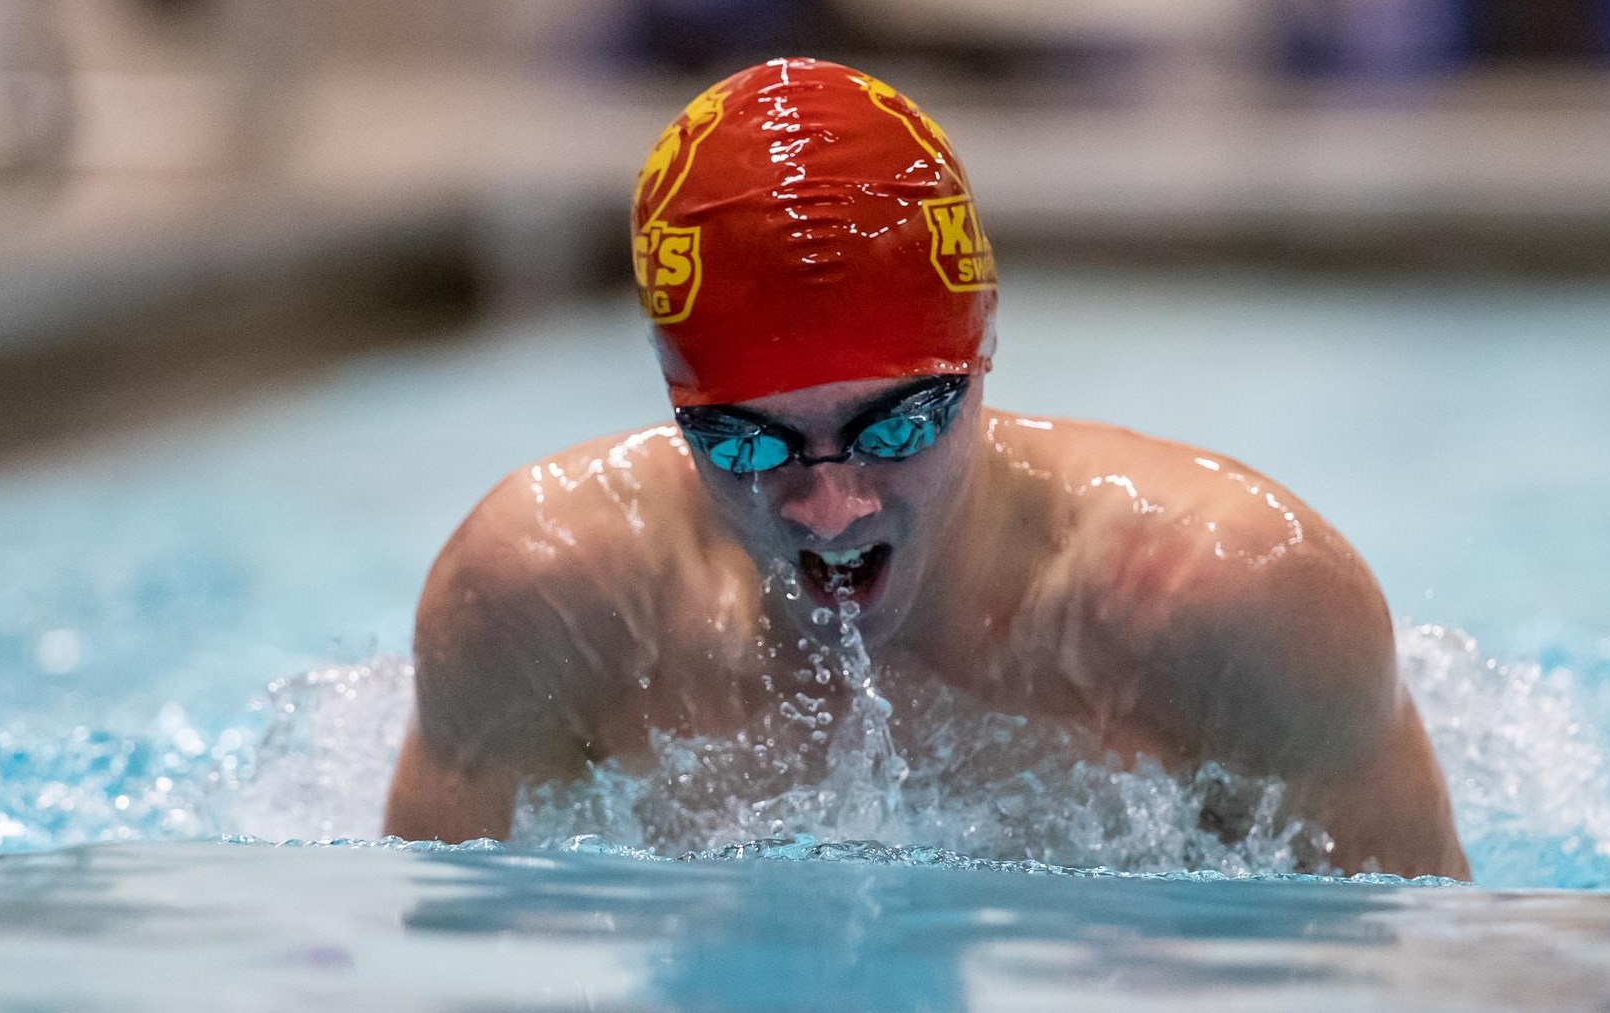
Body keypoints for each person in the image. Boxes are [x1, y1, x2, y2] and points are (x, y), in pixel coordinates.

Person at [383, 57, 1470, 879]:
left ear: (981, 354)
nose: (828, 503)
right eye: (744, 441)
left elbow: (1413, 965)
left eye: (896, 427)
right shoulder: (544, 603)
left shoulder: (1235, 604)